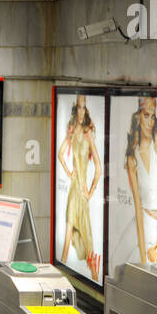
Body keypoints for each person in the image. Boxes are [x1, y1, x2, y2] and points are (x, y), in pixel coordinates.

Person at [58, 96, 102, 280]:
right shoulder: (72, 131)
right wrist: (70, 173)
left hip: (81, 191)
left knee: (86, 233)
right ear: (76, 110)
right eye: (79, 108)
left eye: (84, 108)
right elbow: (61, 154)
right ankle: (61, 269)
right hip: (74, 189)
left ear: (86, 110)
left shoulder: (87, 133)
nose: (81, 111)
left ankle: (94, 276)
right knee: (68, 232)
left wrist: (90, 192)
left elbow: (99, 168)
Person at [124, 97, 157, 265]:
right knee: (119, 259)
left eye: (153, 116)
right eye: (146, 115)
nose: (150, 121)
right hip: (143, 218)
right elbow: (138, 206)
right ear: (138, 116)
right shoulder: (133, 155)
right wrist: (144, 258)